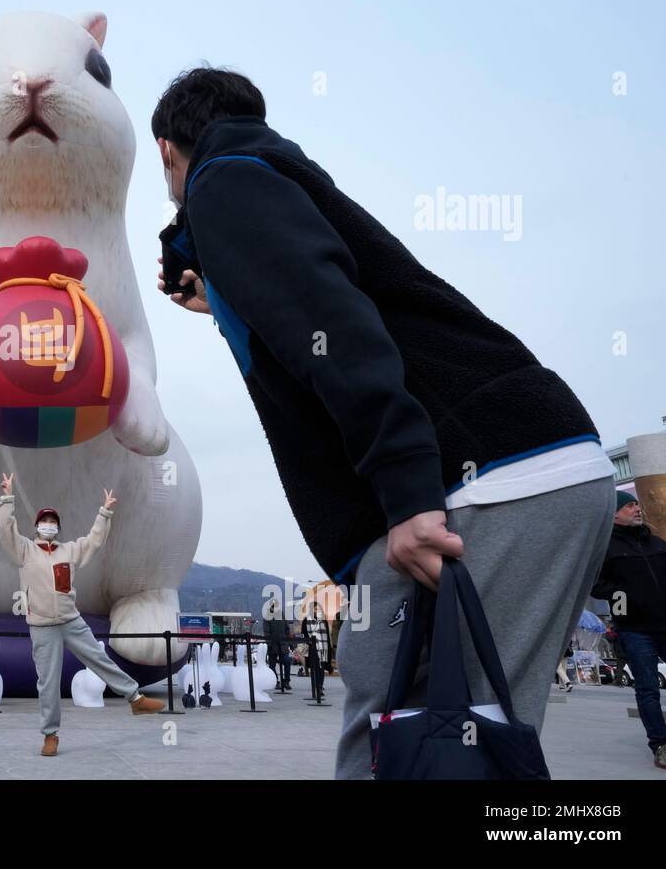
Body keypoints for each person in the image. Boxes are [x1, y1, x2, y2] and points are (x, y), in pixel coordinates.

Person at [152, 67, 616, 778]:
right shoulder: (276, 177)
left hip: (479, 477)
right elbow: (309, 303)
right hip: (527, 462)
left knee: (396, 745)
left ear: (165, 150)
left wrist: (409, 497)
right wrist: (220, 291)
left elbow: (333, 326)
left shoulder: (226, 183)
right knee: (457, 742)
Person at [0, 473, 164, 757]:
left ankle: (136, 699)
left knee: (99, 658)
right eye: (44, 521)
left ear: (57, 528)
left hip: (72, 621)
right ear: (36, 526)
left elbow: (93, 541)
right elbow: (4, 529)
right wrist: (7, 498)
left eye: (52, 522)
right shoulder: (24, 550)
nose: (48, 525)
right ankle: (50, 735)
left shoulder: (69, 551)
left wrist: (105, 511)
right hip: (42, 626)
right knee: (47, 681)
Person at [590, 492, 666, 770]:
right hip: (636, 630)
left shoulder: (658, 543)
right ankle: (661, 745)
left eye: (636, 504)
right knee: (648, 689)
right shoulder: (606, 548)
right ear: (614, 514)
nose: (636, 508)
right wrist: (625, 595)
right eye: (629, 505)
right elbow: (595, 584)